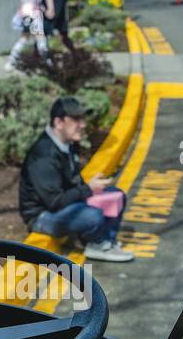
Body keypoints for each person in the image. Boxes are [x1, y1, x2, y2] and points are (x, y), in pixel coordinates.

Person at [18, 96, 134, 262]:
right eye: (76, 120)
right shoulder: (43, 157)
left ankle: (105, 241)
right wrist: (88, 189)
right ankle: (97, 243)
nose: (83, 125)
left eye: (82, 119)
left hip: (64, 205)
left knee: (117, 196)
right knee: (92, 216)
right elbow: (54, 201)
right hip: (42, 216)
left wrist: (91, 187)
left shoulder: (68, 143)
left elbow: (72, 183)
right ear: (58, 123)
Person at [6, 0, 51, 72]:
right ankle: (46, 61)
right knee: (38, 37)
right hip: (30, 12)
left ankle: (12, 60)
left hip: (31, 11)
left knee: (26, 37)